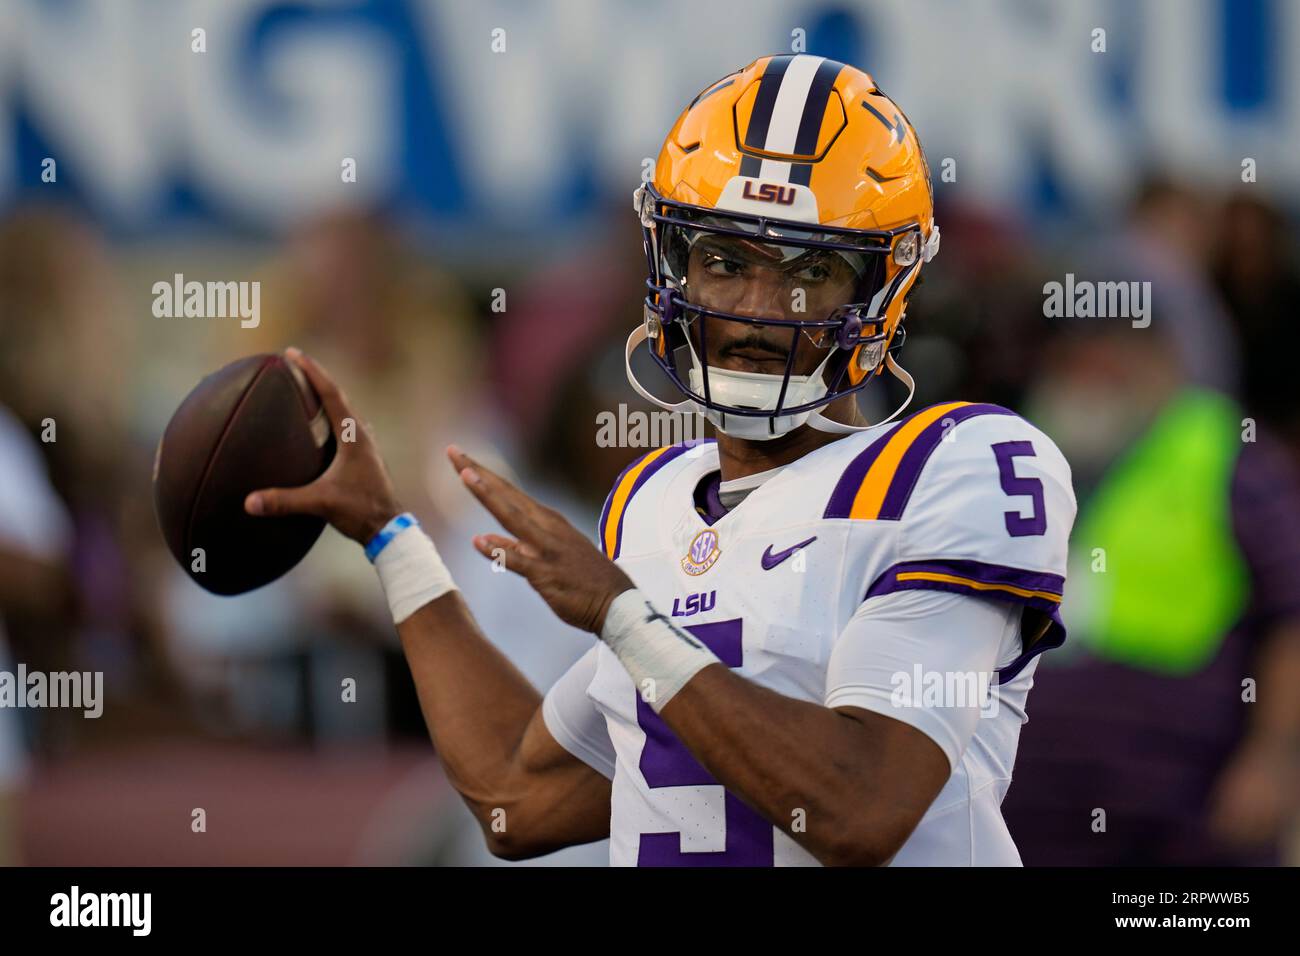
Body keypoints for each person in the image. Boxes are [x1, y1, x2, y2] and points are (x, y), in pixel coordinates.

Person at [244, 55, 1076, 866]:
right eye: (723, 261)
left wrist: (624, 618)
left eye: (810, 271)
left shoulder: (958, 465)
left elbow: (859, 811)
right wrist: (391, 539)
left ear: (883, 287)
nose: (757, 310)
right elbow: (514, 798)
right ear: (669, 265)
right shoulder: (655, 499)